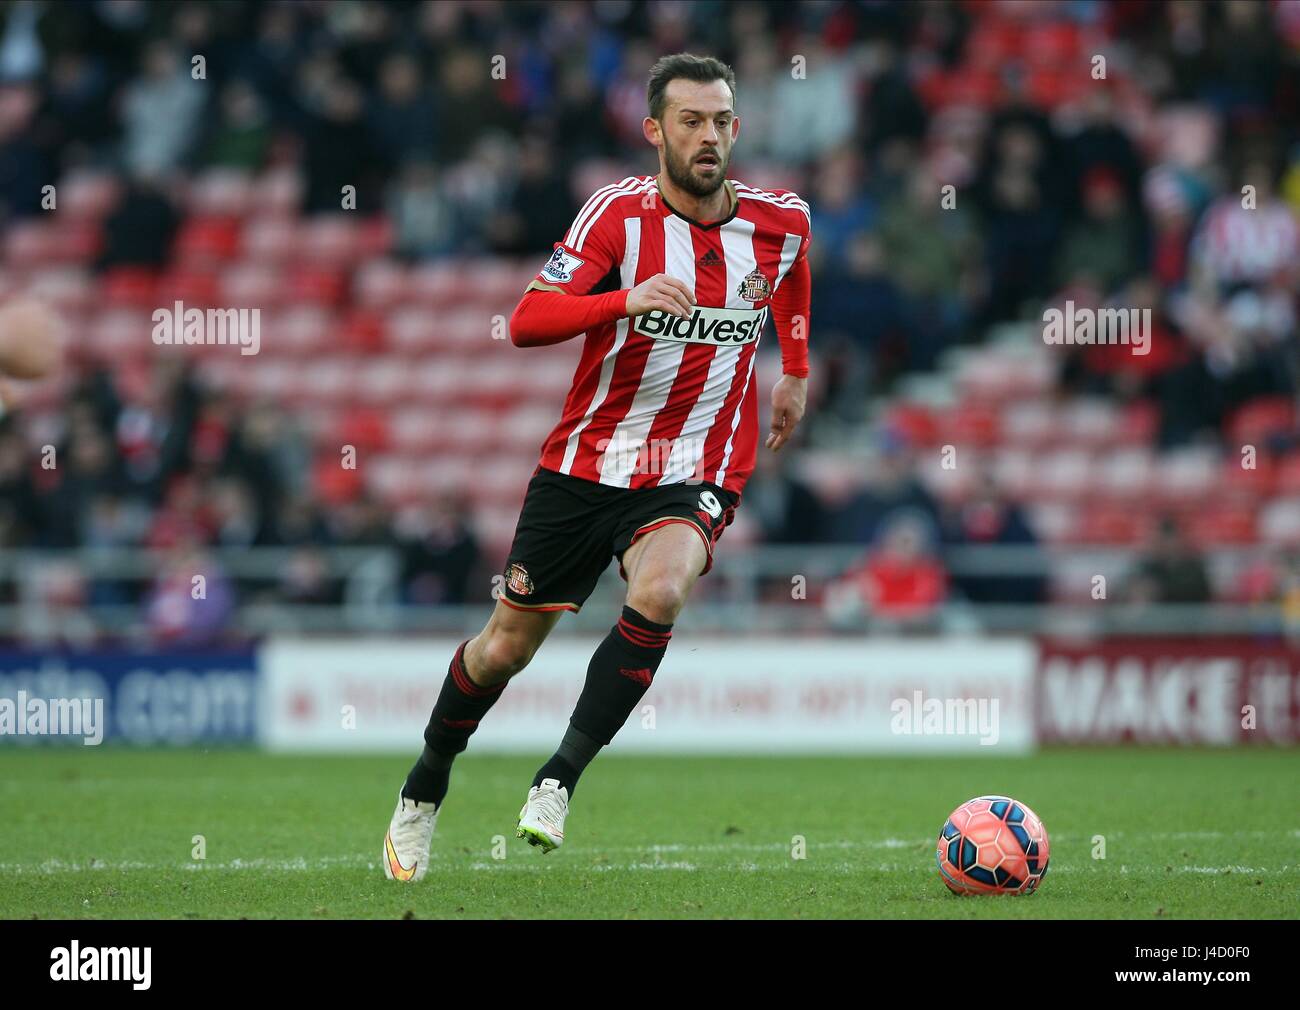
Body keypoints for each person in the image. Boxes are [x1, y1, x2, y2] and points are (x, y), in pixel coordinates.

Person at [383, 53, 812, 880]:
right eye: (691, 121)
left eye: (722, 120)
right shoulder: (617, 217)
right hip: (586, 466)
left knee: (660, 589)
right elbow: (526, 320)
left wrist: (791, 368)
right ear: (656, 131)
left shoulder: (781, 221)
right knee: (504, 650)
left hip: (697, 465)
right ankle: (424, 787)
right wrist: (626, 298)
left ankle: (557, 780)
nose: (709, 136)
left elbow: (789, 285)